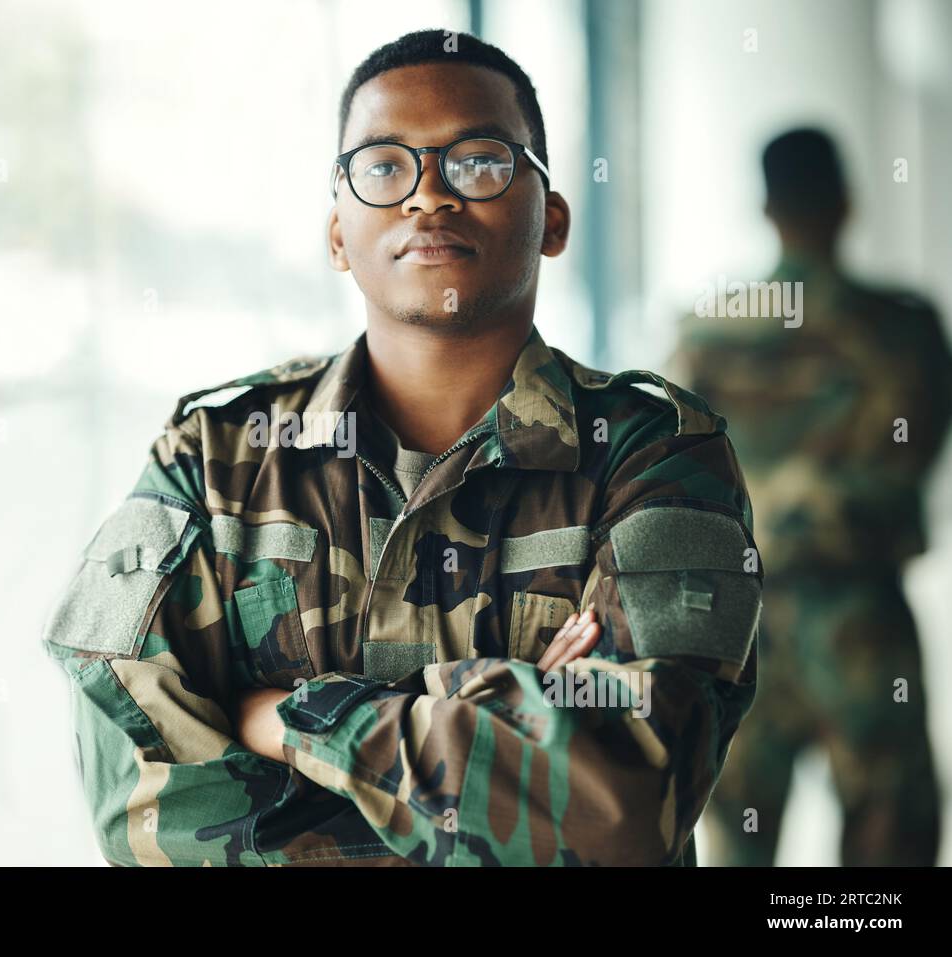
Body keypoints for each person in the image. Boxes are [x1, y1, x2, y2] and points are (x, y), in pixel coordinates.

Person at [43, 29, 761, 866]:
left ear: (552, 219)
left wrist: (285, 715)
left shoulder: (654, 454)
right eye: (384, 166)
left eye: (479, 161)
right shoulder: (216, 455)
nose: (430, 197)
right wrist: (497, 736)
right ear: (339, 233)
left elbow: (618, 803)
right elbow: (144, 809)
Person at [671, 127, 951, 866]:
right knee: (888, 848)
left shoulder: (706, 329)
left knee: (733, 837)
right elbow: (907, 462)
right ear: (847, 202)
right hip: (860, 619)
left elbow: (672, 482)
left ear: (766, 207)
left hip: (736, 626)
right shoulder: (904, 327)